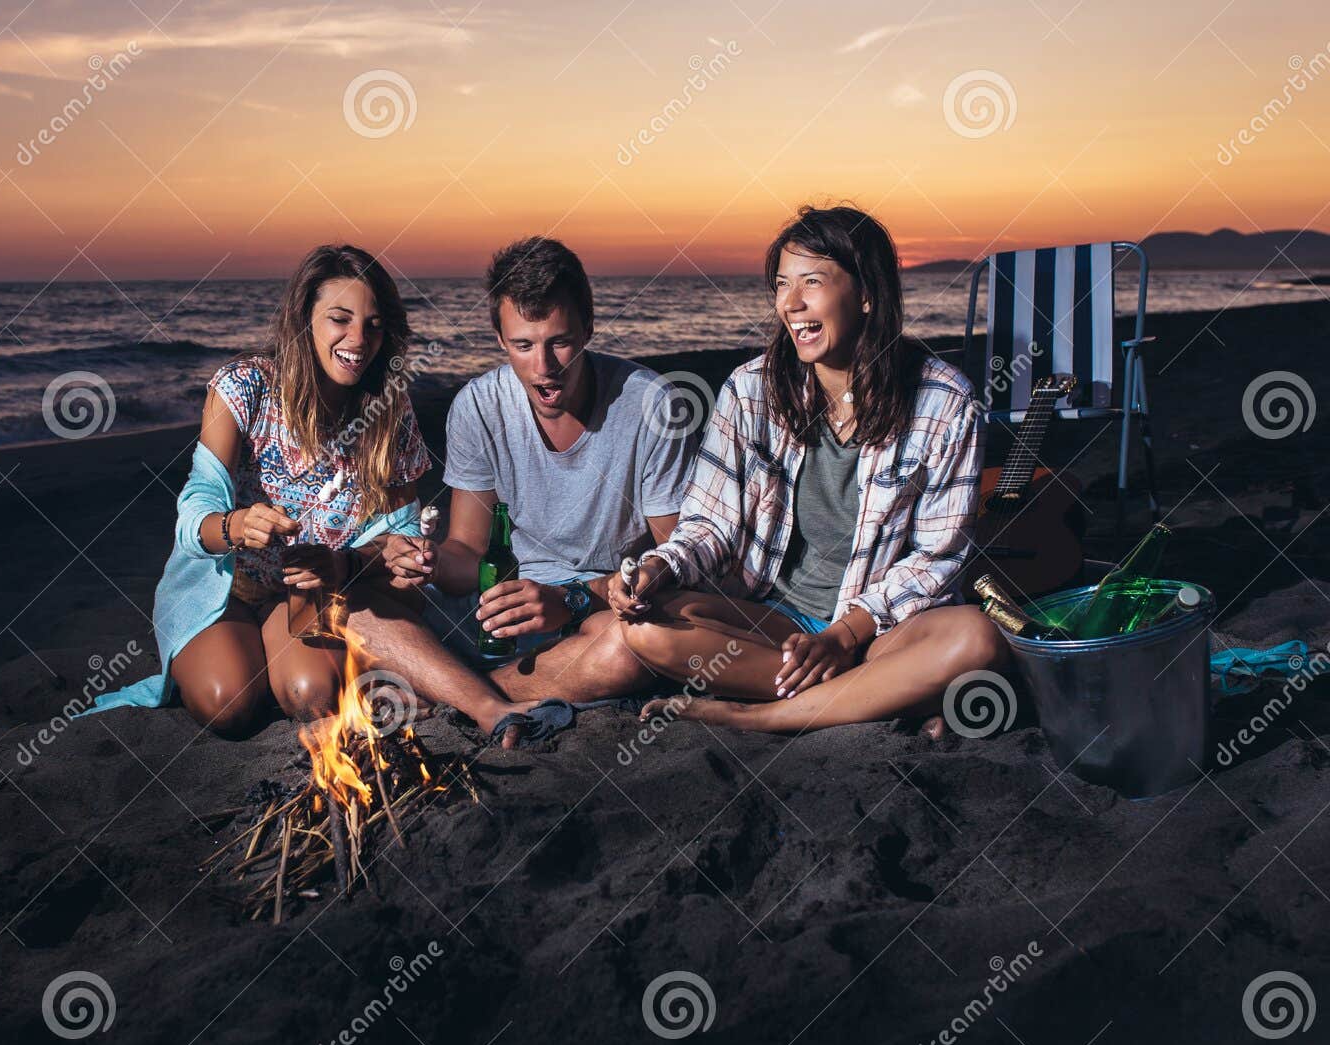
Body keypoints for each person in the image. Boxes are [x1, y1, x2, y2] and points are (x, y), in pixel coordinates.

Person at [88, 244, 535, 744]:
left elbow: (400, 536)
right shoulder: (244, 387)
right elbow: (195, 514)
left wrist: (357, 561)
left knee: (311, 692)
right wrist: (238, 525)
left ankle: (278, 656)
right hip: (225, 588)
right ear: (304, 320)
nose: (358, 340)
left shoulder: (388, 408)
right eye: (339, 319)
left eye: (373, 325)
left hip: (313, 596)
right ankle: (244, 654)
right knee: (226, 703)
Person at [609, 206, 1007, 736]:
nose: (790, 303)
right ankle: (880, 692)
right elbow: (710, 525)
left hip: (880, 632)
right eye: (781, 284)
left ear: (867, 294)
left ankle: (763, 714)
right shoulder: (749, 390)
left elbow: (937, 559)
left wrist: (843, 637)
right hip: (775, 624)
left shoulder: (945, 401)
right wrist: (659, 568)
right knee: (646, 630)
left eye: (812, 282)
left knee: (977, 638)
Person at [364, 236, 696, 718]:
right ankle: (490, 690)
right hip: (503, 602)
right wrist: (428, 561)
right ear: (500, 339)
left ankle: (462, 693)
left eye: (559, 342)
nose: (544, 368)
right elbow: (468, 554)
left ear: (588, 328)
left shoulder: (652, 405)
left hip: (598, 607)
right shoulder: (478, 406)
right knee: (364, 608)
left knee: (632, 647)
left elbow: (678, 563)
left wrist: (571, 599)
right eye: (523, 345)